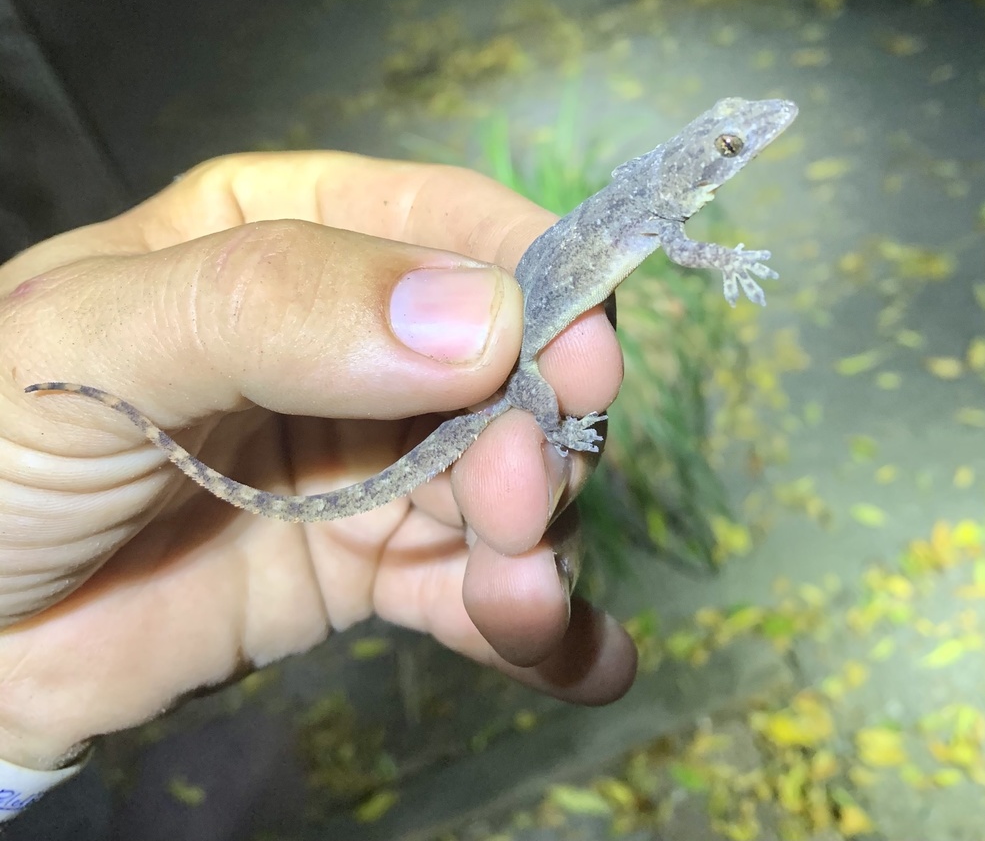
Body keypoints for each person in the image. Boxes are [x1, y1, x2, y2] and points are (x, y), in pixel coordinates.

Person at [0, 150, 638, 818]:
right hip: (490, 374)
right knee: (525, 465)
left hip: (483, 384)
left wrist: (18, 715)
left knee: (518, 493)